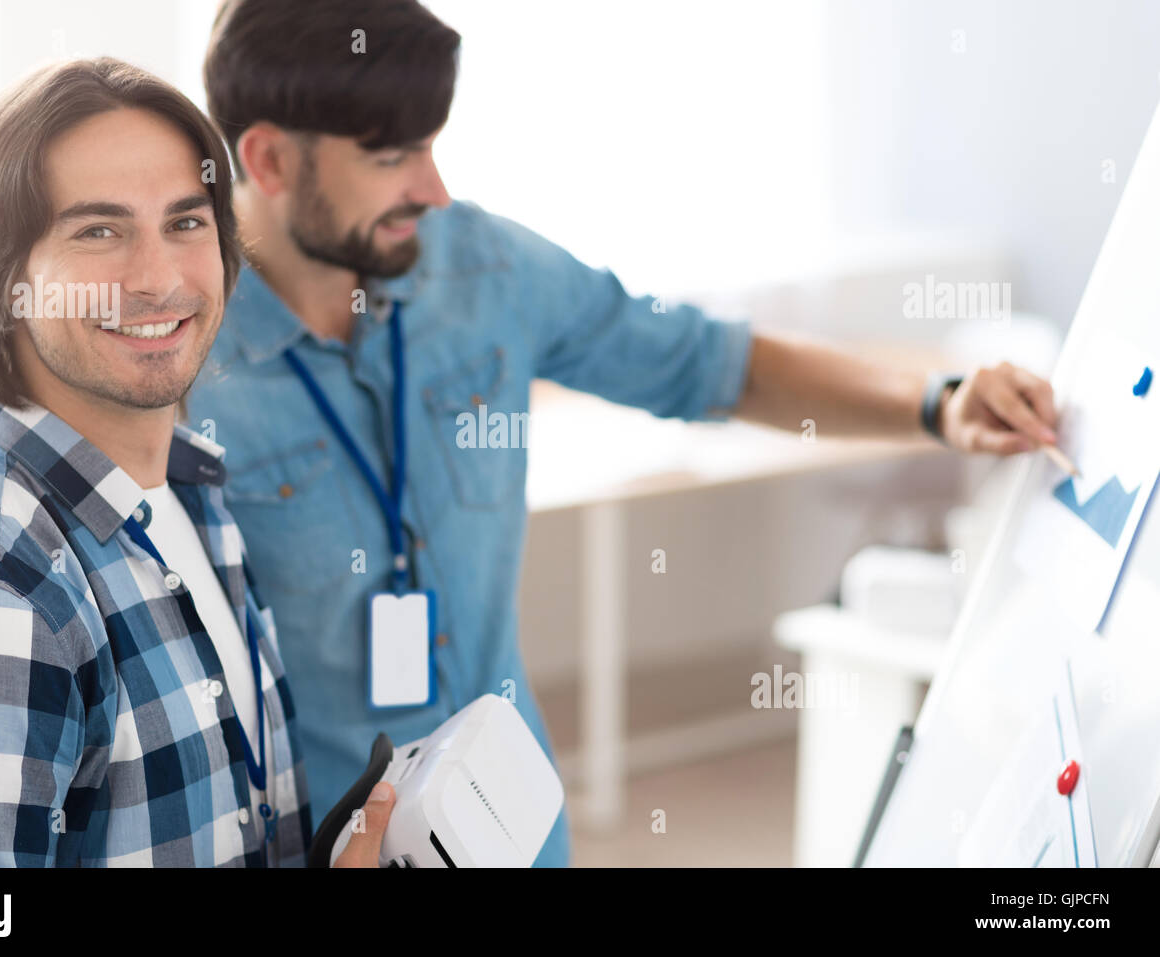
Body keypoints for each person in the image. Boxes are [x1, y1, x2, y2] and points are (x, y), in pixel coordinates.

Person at [191, 0, 1060, 867]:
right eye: (393, 157)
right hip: (323, 844)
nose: (435, 188)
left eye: (432, 145)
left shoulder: (482, 264)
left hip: (520, 826)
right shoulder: (178, 362)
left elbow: (713, 362)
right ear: (267, 158)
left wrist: (936, 403)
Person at [0, 57, 392, 867]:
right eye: (98, 231)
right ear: (7, 282)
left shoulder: (189, 493)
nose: (158, 278)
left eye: (185, 222)